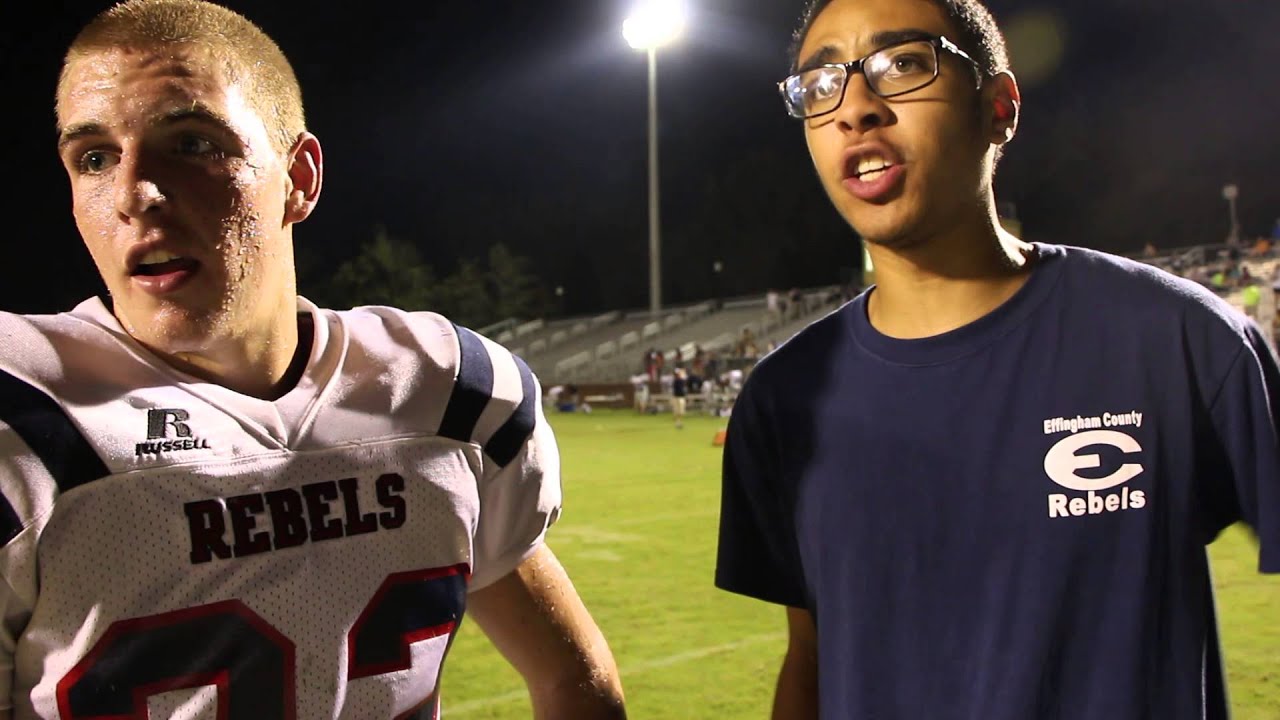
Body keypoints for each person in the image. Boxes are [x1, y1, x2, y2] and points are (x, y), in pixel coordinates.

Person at [0, 1, 626, 718]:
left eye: (193, 144)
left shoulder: (446, 394)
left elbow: (576, 680)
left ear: (298, 177)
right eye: (95, 158)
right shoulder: (23, 420)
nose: (136, 194)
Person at [715, 0, 1279, 718]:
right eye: (821, 83)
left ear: (999, 107)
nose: (854, 106)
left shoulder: (1175, 340)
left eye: (904, 64)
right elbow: (814, 660)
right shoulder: (785, 398)